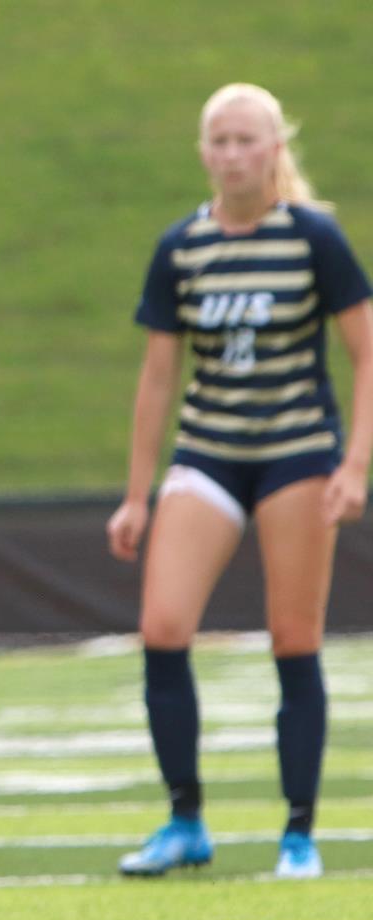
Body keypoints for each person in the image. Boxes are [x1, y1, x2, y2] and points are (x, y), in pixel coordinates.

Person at [108, 83, 372, 879]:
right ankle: (185, 818)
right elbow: (158, 379)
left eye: (245, 140)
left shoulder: (314, 238)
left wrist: (354, 463)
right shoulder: (181, 247)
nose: (231, 154)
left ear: (274, 149)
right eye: (218, 141)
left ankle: (298, 832)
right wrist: (136, 492)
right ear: (203, 152)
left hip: (296, 452)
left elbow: (366, 353)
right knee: (162, 627)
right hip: (209, 451)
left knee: (293, 637)